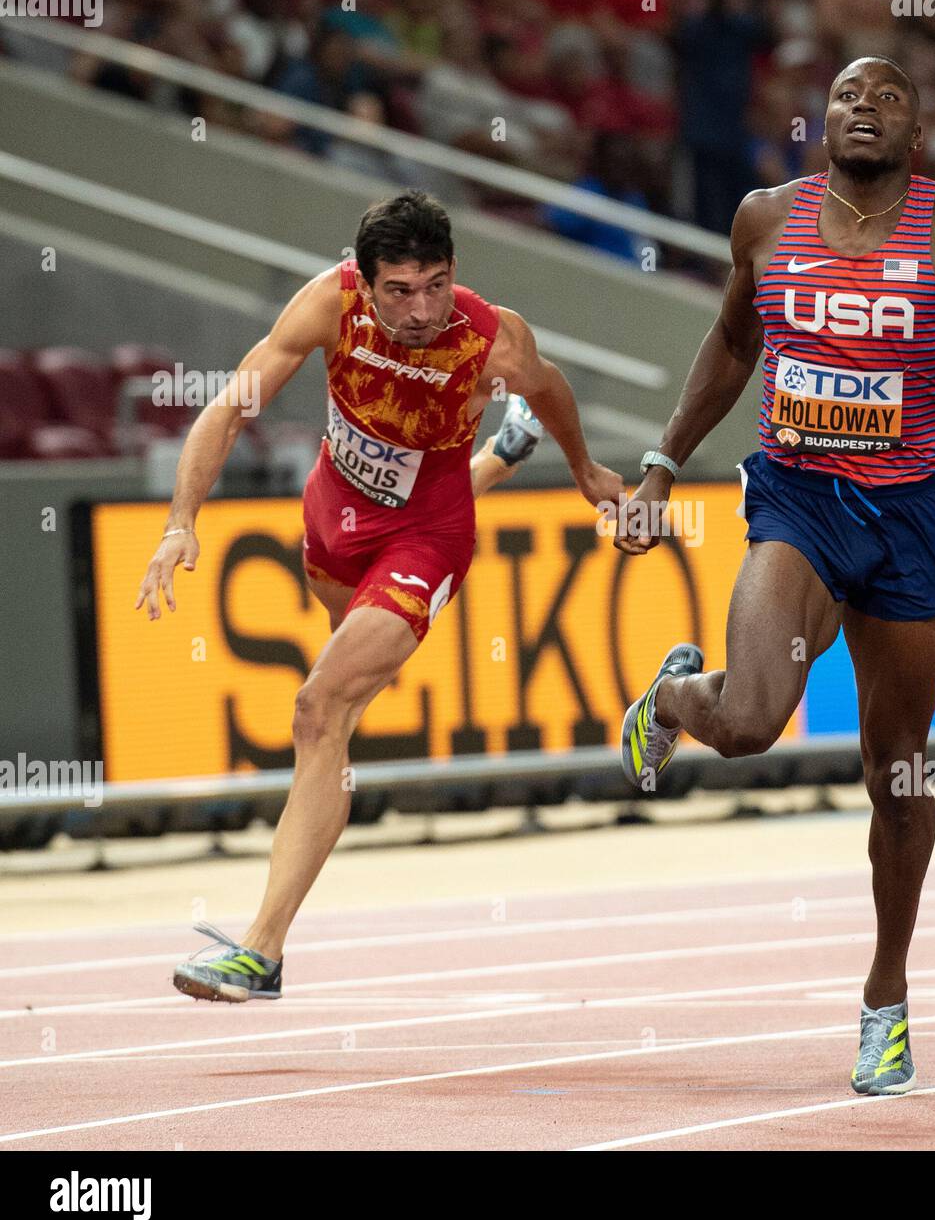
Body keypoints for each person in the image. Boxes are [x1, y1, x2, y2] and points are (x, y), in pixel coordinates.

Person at [614, 56, 935, 1095]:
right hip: (799, 504)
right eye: (848, 94)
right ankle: (677, 696)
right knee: (753, 720)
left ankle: (885, 999)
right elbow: (728, 343)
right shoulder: (766, 220)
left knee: (897, 777)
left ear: (917, 130)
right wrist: (664, 462)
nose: (863, 107)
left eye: (888, 97)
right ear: (822, 120)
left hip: (907, 521)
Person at [136, 189, 622, 1002]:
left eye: (435, 284)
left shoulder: (488, 336)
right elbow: (227, 409)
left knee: (320, 710)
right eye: (399, 290)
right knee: (334, 718)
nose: (421, 308)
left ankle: (261, 951)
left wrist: (585, 470)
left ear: (453, 273)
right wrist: (180, 520)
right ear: (362, 284)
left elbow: (549, 387)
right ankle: (496, 462)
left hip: (426, 538)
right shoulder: (325, 305)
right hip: (333, 523)